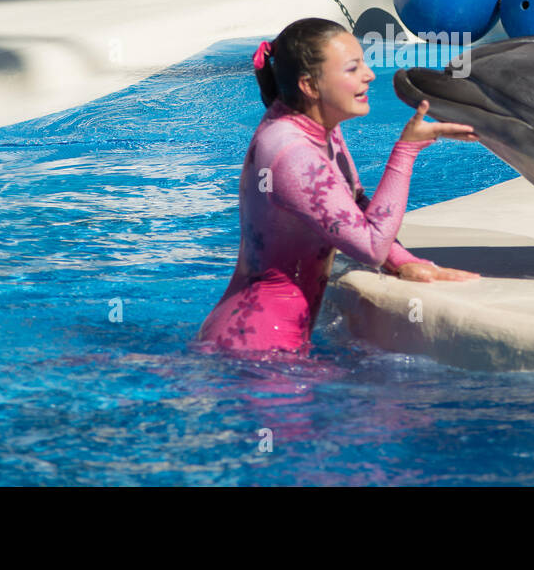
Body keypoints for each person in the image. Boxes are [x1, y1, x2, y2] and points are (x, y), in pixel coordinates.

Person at [194, 18, 481, 355]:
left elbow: (352, 204)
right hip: (257, 350)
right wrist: (406, 151)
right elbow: (369, 245)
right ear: (309, 85)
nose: (370, 75)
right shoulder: (294, 155)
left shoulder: (313, 125)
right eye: (352, 68)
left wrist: (402, 261)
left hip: (268, 343)